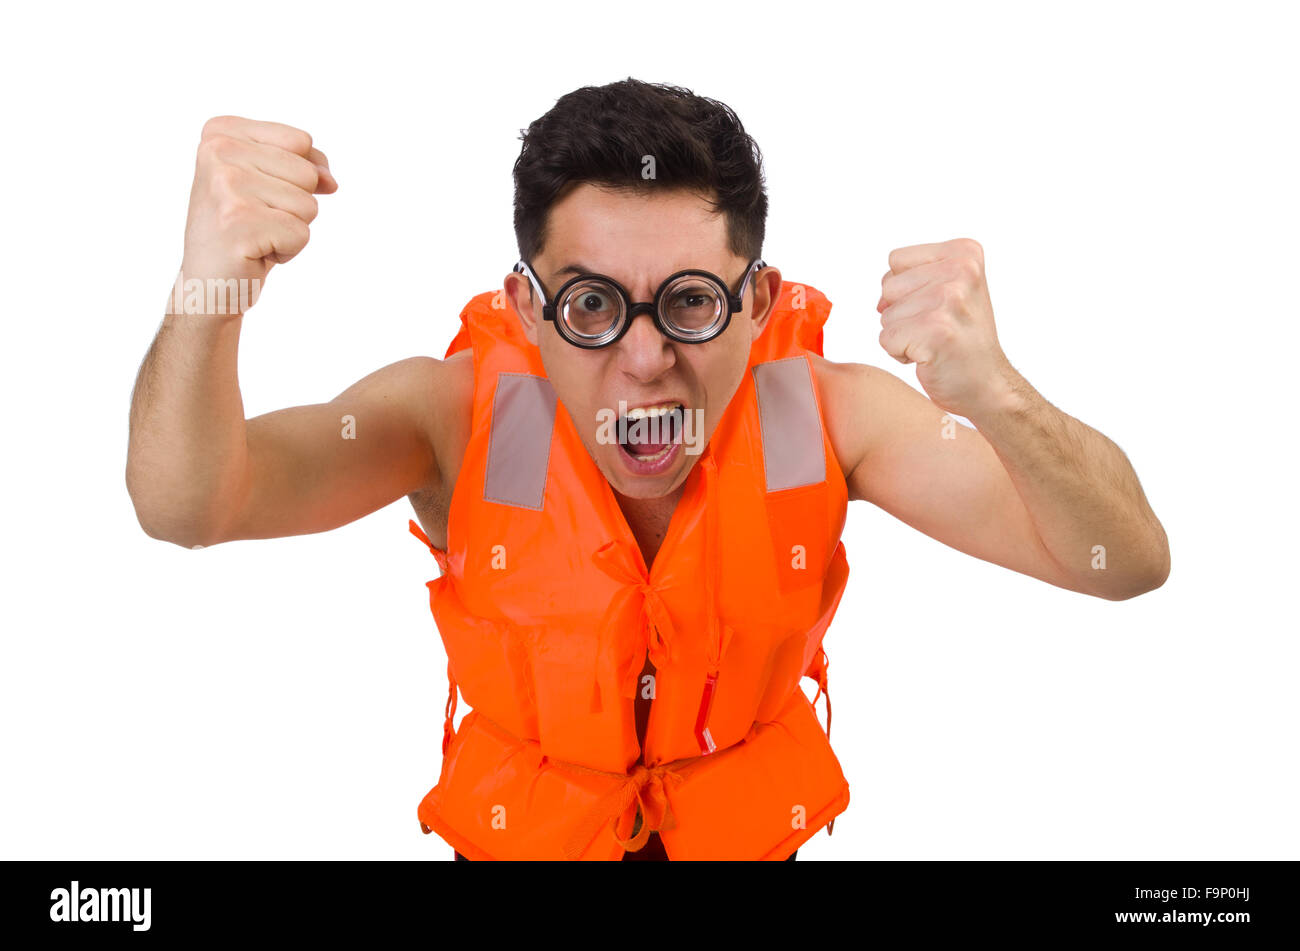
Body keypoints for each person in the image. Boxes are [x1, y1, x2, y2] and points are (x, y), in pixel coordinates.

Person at [126, 79, 1169, 861]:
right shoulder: (454, 420)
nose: (643, 357)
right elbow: (188, 505)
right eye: (588, 304)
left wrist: (993, 393)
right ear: (529, 309)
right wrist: (206, 288)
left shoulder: (821, 415)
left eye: (689, 301)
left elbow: (1119, 561)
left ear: (756, 303)